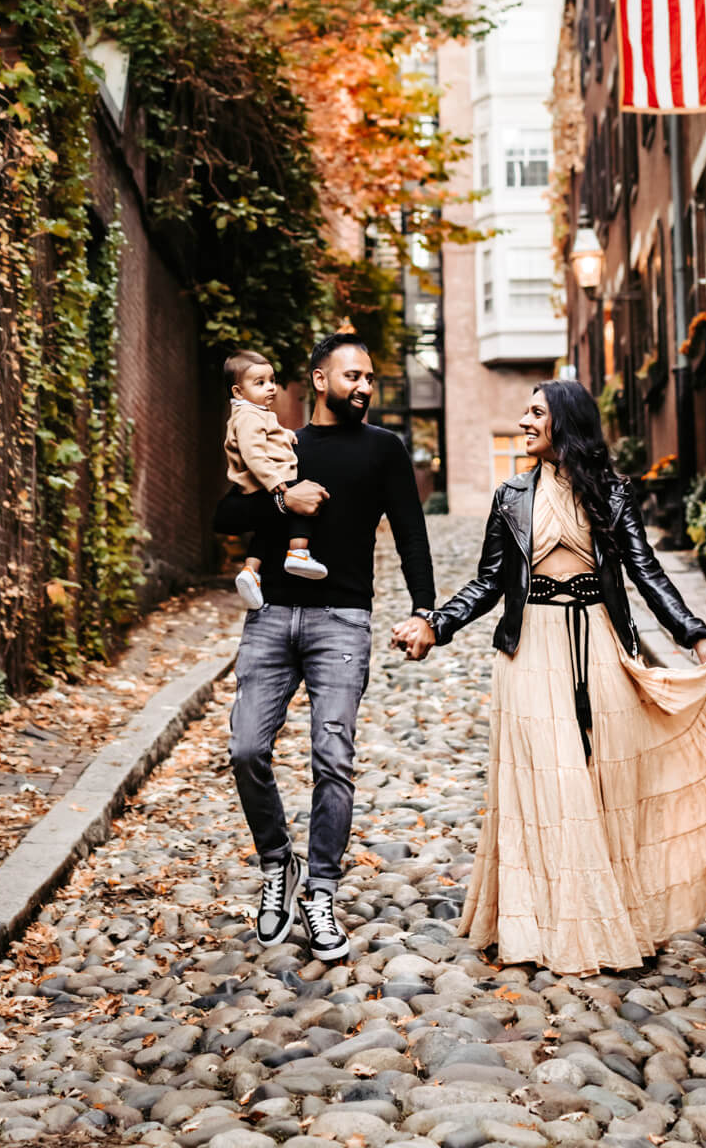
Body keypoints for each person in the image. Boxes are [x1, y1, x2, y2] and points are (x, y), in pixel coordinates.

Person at [392, 379, 706, 976]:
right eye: (525, 411)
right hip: (529, 651)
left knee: (603, 781)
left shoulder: (613, 494)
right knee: (553, 782)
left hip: (599, 640)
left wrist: (697, 639)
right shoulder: (511, 496)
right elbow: (490, 582)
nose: (523, 421)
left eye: (535, 412)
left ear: (565, 423)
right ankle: (543, 924)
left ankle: (610, 913)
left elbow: (647, 573)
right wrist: (435, 625)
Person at [214, 332, 437, 964]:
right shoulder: (282, 444)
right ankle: (276, 861)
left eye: (370, 377)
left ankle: (320, 889)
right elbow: (224, 518)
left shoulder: (384, 449)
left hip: (343, 619)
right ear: (318, 380)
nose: (364, 387)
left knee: (332, 756)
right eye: (352, 376)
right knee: (247, 748)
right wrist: (283, 496)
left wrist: (425, 610)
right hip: (271, 617)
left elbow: (412, 532)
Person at [223, 349, 327, 608]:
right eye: (260, 383)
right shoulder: (247, 416)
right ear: (238, 392)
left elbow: (267, 432)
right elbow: (253, 453)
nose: (270, 387)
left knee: (267, 531)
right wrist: (274, 482)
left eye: (271, 380)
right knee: (302, 505)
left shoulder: (254, 412)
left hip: (262, 483)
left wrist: (284, 434)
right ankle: (298, 553)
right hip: (267, 480)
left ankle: (250, 571)